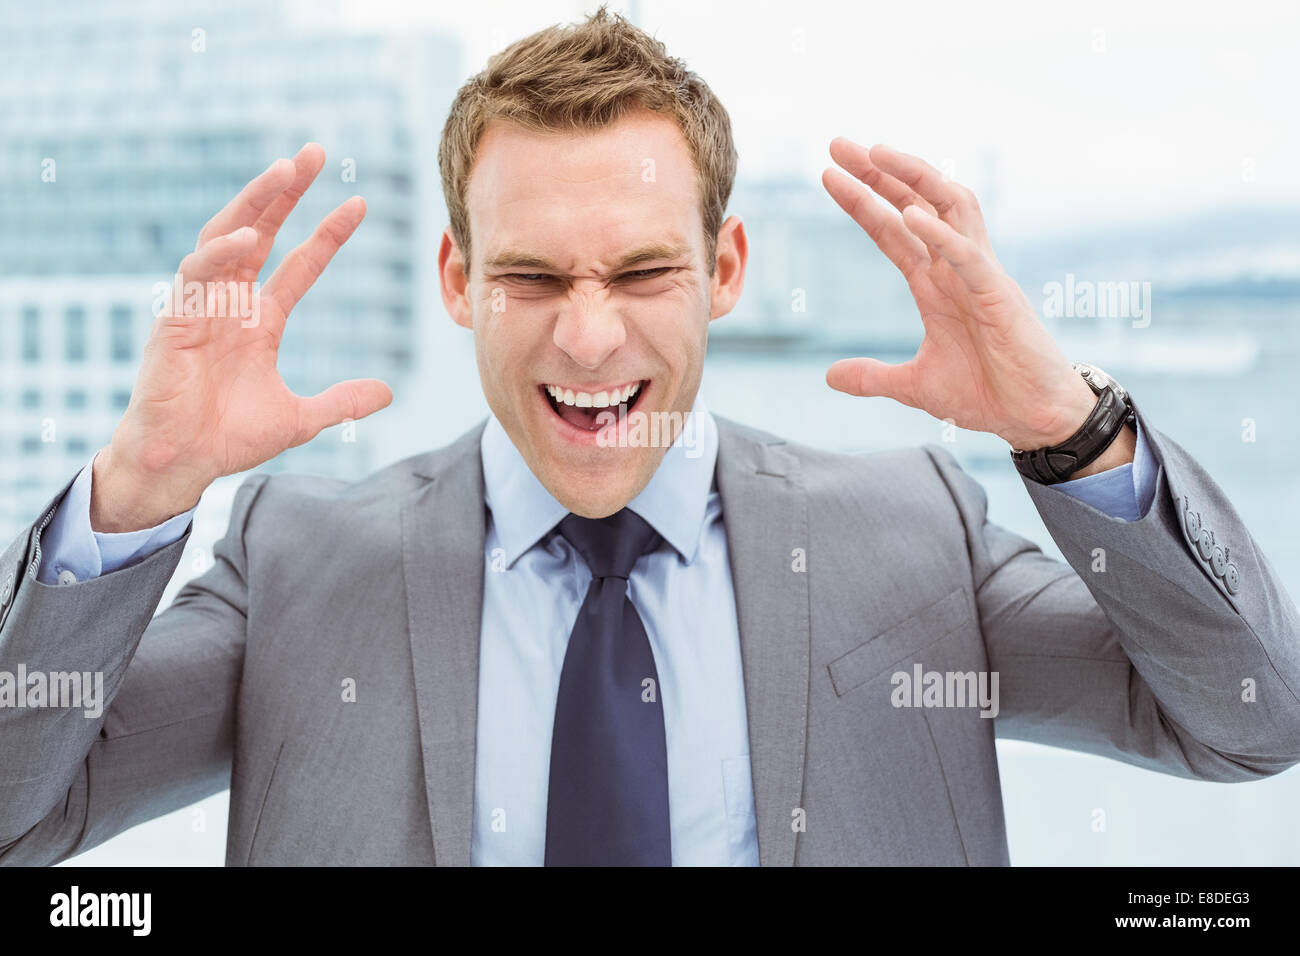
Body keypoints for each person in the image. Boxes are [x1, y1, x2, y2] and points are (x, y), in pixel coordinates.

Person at [1, 7, 1296, 867]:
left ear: (725, 267)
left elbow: (1247, 721)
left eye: (639, 271)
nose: (587, 339)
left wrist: (1075, 434)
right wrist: (136, 493)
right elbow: (22, 810)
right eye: (530, 279)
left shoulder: (915, 535)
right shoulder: (299, 559)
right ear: (456, 283)